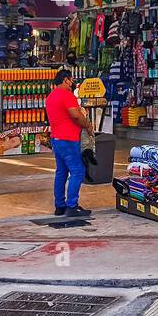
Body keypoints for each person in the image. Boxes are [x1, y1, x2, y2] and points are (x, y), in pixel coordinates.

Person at [46, 69, 93, 217]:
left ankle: (59, 206)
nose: (72, 83)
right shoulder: (67, 95)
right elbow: (75, 115)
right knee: (78, 171)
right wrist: (88, 125)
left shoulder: (51, 96)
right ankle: (72, 206)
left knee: (61, 172)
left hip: (56, 139)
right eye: (71, 80)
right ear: (66, 80)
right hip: (68, 139)